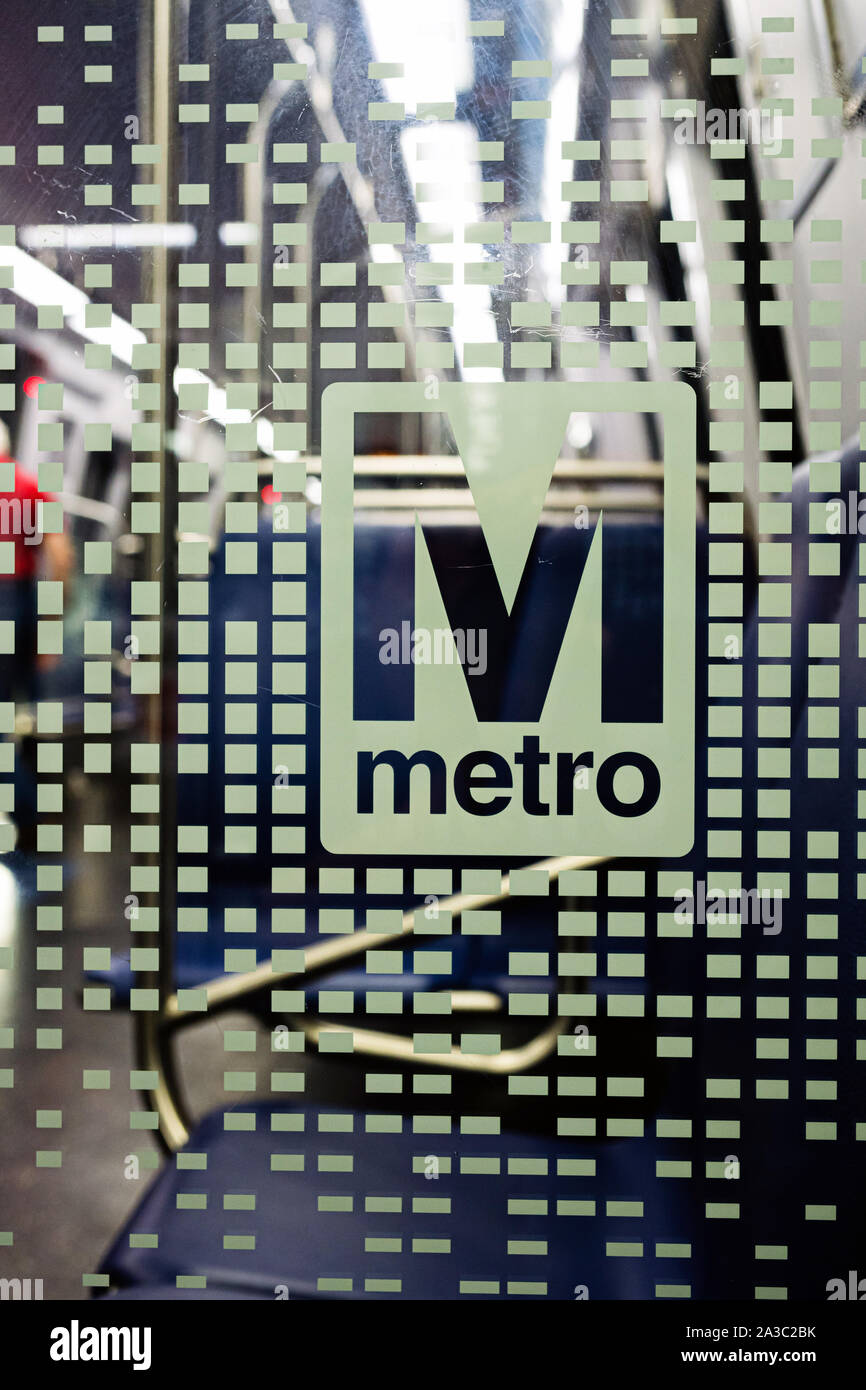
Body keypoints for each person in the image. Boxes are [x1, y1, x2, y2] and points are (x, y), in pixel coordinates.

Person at [0, 418, 72, 850]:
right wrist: (50, 624)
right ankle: (35, 806)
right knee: (21, 713)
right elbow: (61, 557)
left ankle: (29, 810)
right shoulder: (30, 487)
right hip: (22, 601)